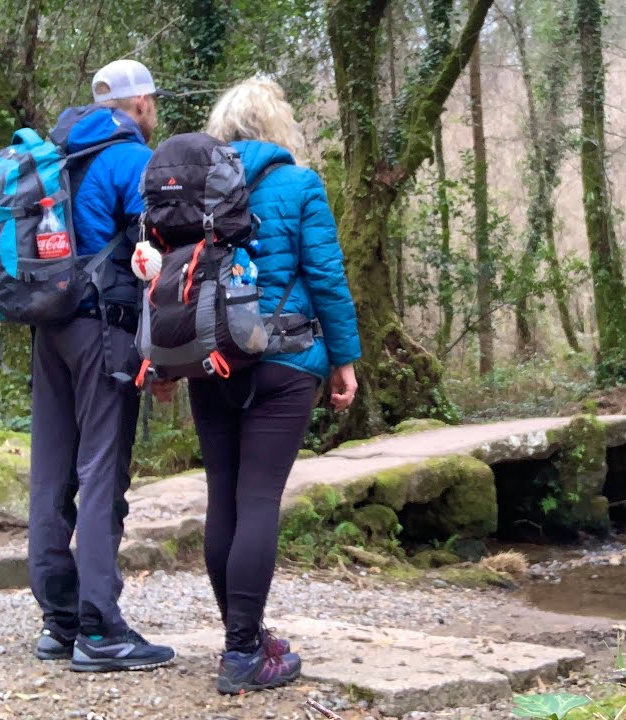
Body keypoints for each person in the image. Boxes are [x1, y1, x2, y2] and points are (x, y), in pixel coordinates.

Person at [197, 76, 361, 694]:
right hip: (286, 360)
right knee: (259, 499)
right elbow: (326, 275)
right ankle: (242, 653)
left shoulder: (197, 191)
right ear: (277, 127)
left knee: (225, 499)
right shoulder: (299, 183)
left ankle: (245, 636)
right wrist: (344, 359)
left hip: (210, 361)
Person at [27, 59, 175, 673]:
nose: (154, 111)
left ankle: (58, 621)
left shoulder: (56, 153)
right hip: (101, 332)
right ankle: (100, 627)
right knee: (101, 472)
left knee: (52, 471)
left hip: (48, 325)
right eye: (152, 102)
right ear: (138, 104)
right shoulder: (129, 158)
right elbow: (157, 248)